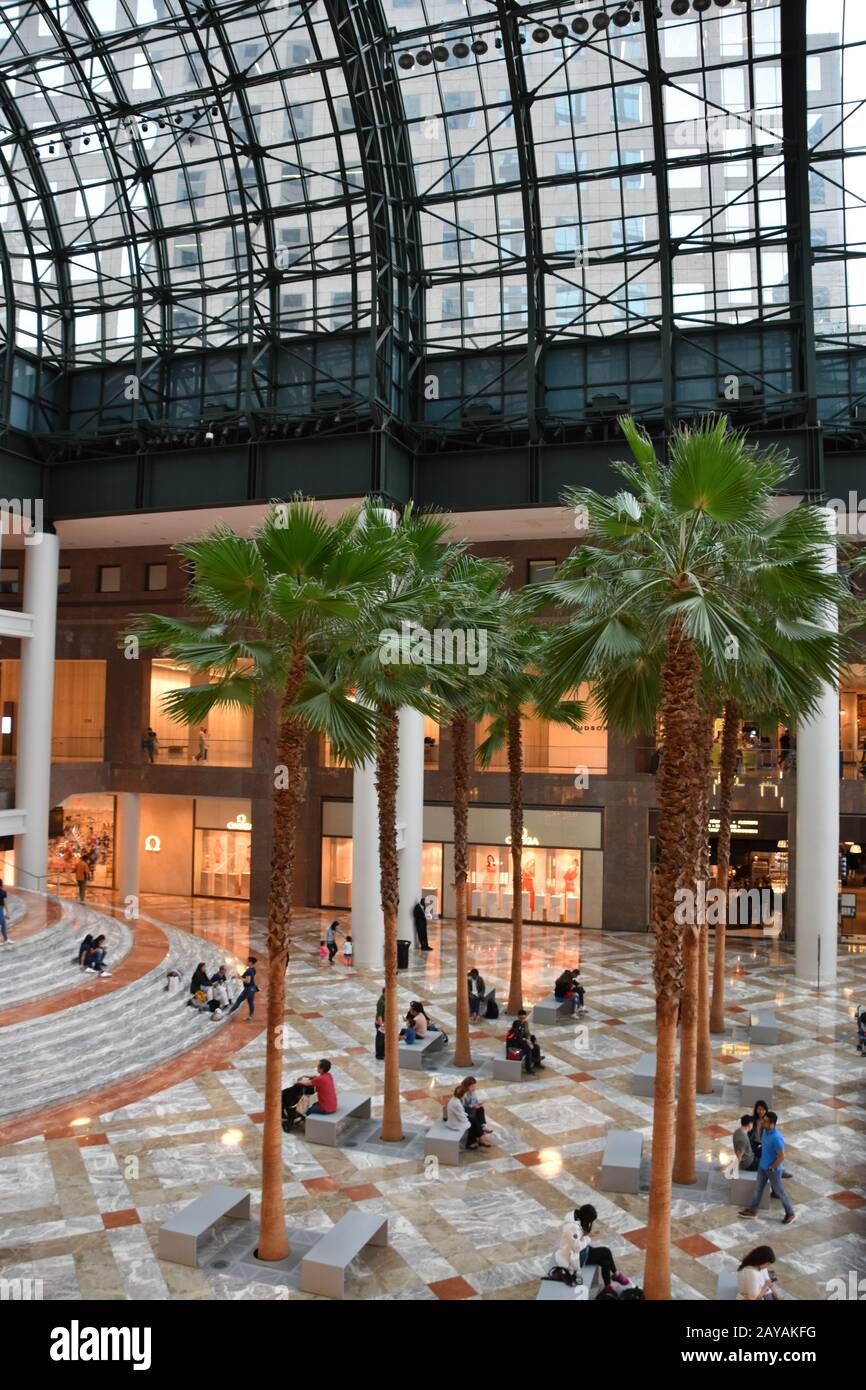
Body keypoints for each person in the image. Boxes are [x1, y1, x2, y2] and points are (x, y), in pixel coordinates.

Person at [738, 1111, 795, 1224]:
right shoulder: (765, 1132)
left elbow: (781, 1156)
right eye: (763, 1120)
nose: (762, 1122)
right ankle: (753, 1211)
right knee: (758, 1189)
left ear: (772, 1124)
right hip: (762, 1167)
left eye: (765, 1121)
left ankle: (790, 1213)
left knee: (780, 1192)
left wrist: (772, 1167)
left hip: (773, 1170)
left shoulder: (777, 1138)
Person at [572, 1205, 630, 1293]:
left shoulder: (579, 1219)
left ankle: (608, 1286)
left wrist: (587, 1234)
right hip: (578, 1256)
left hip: (582, 1250)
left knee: (605, 1261)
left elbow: (580, 1236)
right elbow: (577, 1246)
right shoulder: (573, 1227)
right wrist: (588, 1237)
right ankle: (615, 1275)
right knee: (605, 1252)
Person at [447, 1080, 489, 1149]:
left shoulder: (457, 1100)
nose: (465, 1095)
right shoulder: (457, 1103)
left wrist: (474, 1108)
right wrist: (469, 1116)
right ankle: (475, 1140)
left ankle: (476, 1139)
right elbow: (462, 1117)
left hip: (459, 1117)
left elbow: (462, 1113)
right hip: (455, 1123)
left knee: (473, 1118)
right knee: (472, 1121)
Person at [0, 878, 8, 944]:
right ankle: (6, 939)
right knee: (2, 923)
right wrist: (7, 913)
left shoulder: (3, 892)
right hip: (0, 908)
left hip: (1, 908)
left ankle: (6, 939)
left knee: (3, 924)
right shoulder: (3, 892)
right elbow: (5, 903)